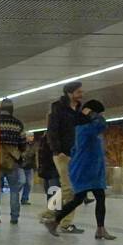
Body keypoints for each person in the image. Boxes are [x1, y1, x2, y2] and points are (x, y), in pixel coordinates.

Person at [43, 100, 115, 241]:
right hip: (85, 170)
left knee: (88, 198)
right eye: (99, 113)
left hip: (91, 170)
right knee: (81, 198)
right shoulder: (84, 128)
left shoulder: (85, 128)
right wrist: (92, 115)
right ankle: (54, 221)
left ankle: (100, 229)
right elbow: (101, 125)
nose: (101, 116)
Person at [42, 81, 86, 232]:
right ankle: (65, 223)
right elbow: (52, 131)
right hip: (62, 154)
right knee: (71, 191)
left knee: (70, 190)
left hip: (75, 154)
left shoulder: (79, 109)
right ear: (70, 93)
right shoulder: (58, 108)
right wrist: (57, 150)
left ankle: (48, 214)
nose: (81, 94)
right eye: (79, 92)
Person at [0, 99, 27, 224]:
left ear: (1, 108)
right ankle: (14, 217)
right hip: (13, 162)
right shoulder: (18, 124)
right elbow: (23, 143)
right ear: (12, 109)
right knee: (14, 190)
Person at [37, 132, 60, 204]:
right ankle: (52, 209)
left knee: (52, 190)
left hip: (50, 167)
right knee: (52, 189)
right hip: (49, 167)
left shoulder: (44, 139)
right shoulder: (45, 139)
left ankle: (53, 210)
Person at [20, 134, 36, 206]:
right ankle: (15, 193)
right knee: (22, 181)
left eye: (32, 136)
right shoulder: (22, 144)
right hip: (22, 166)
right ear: (26, 137)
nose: (32, 137)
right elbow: (22, 154)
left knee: (29, 184)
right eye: (30, 136)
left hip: (30, 166)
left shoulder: (33, 145)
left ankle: (25, 199)